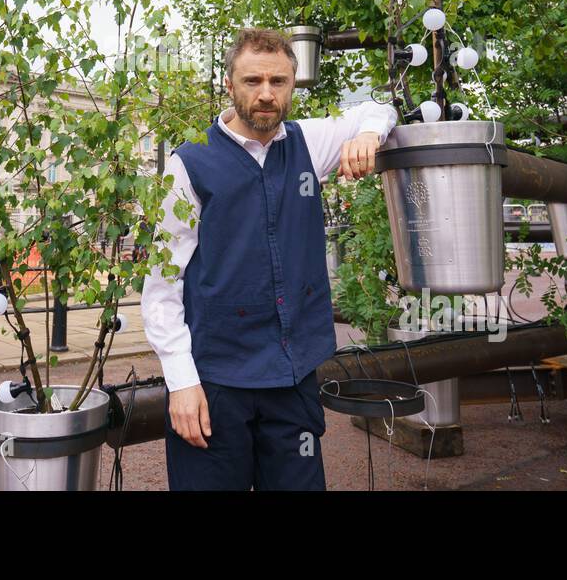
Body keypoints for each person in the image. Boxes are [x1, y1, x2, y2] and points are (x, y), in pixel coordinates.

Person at [142, 26, 398, 490]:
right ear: (229, 85)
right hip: (215, 382)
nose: (266, 94)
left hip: (292, 379)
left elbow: (380, 106)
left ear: (292, 85)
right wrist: (180, 381)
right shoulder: (189, 163)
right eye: (252, 81)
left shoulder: (308, 142)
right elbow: (163, 283)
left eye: (278, 82)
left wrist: (367, 135)